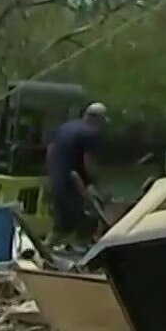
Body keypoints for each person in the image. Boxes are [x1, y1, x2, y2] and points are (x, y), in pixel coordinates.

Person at [47, 102, 108, 246]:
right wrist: (95, 183)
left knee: (62, 222)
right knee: (85, 220)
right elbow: (88, 161)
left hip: (57, 181)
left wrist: (52, 174)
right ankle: (81, 252)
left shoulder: (65, 127)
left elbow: (50, 150)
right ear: (98, 119)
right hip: (72, 184)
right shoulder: (91, 133)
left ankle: (51, 248)